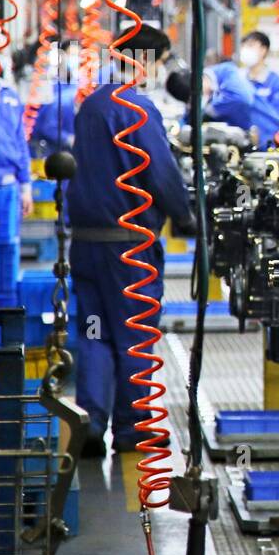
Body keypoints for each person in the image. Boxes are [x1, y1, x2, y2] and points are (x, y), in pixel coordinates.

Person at [67, 24, 193, 457]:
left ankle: (90, 423)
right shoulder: (135, 108)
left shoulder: (90, 106)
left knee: (94, 331)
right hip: (129, 247)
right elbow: (160, 172)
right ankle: (132, 428)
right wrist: (185, 215)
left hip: (85, 242)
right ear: (146, 60)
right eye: (158, 62)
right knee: (134, 333)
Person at [0, 49, 32, 307]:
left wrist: (26, 185)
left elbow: (20, 141)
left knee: (8, 247)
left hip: (8, 186)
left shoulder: (10, 97)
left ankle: (8, 307)